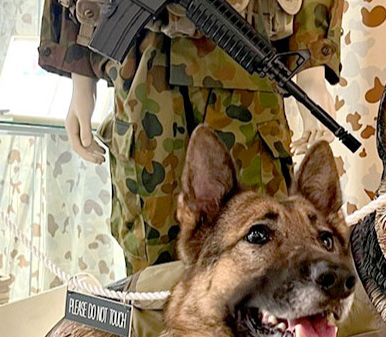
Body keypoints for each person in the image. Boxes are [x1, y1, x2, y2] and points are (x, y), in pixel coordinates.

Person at [39, 0, 344, 272]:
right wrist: (81, 76)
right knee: (149, 261)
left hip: (240, 62)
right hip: (143, 70)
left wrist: (312, 67)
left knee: (260, 252)